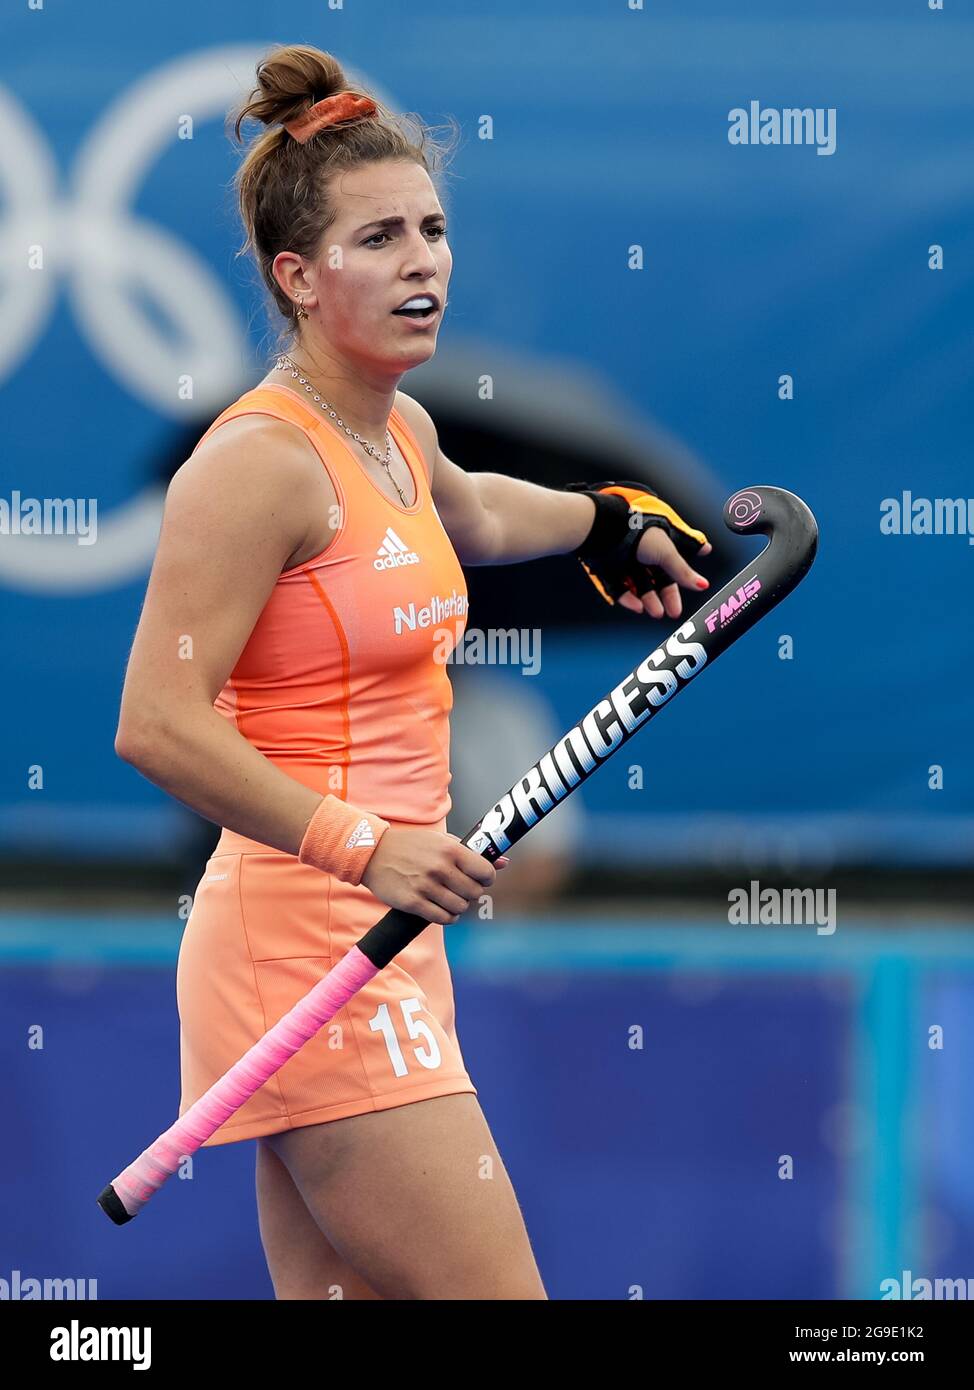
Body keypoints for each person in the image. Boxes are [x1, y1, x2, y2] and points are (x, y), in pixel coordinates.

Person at [114, 43, 712, 1301]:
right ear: (296, 274)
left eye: (431, 229)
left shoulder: (395, 428)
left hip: (380, 934)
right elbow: (155, 726)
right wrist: (362, 844)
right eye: (378, 237)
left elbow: (479, 516)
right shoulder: (254, 465)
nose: (422, 260)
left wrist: (607, 520)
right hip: (303, 933)